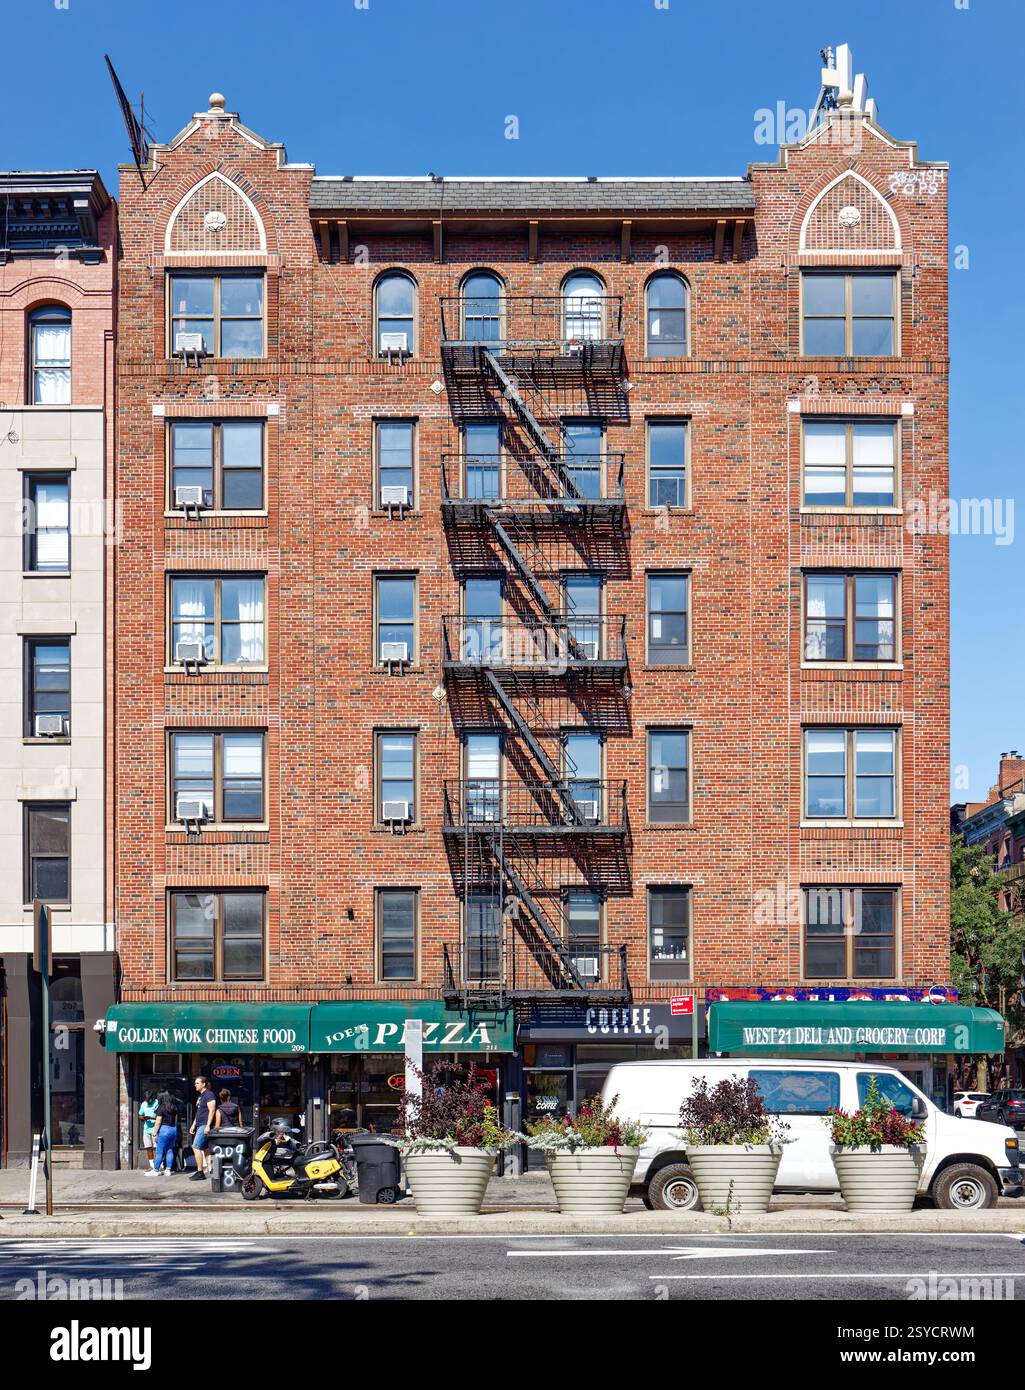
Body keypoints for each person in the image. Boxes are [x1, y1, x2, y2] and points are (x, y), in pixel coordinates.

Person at [189, 1074, 217, 1181]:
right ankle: (212, 1170)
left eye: (197, 1083)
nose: (195, 1085)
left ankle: (200, 1172)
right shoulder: (201, 1096)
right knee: (205, 1149)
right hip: (200, 1124)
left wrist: (208, 1125)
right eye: (195, 1083)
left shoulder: (209, 1094)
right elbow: (199, 1112)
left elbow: (212, 1110)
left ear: (203, 1084)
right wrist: (193, 1124)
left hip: (205, 1124)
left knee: (195, 1147)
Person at [149, 1091, 180, 1176]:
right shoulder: (173, 1107)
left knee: (160, 1151)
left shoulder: (161, 1107)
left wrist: (154, 1134)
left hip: (164, 1129)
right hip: (173, 1129)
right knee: (170, 1150)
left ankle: (156, 1170)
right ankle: (168, 1170)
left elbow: (158, 1122)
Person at [138, 1091, 158, 1171]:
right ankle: (152, 1165)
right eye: (146, 1100)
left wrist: (152, 1118)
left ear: (152, 1098)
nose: (148, 1101)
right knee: (148, 1147)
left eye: (149, 1099)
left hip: (156, 1129)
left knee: (157, 1148)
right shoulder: (143, 1104)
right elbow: (140, 1115)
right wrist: (143, 1118)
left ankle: (159, 1165)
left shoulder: (157, 1103)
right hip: (146, 1129)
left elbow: (161, 1116)